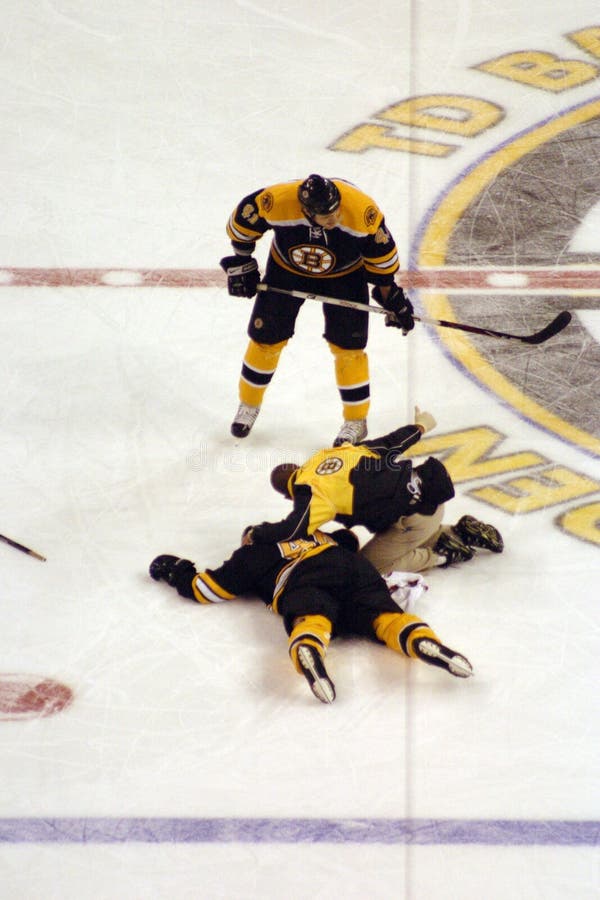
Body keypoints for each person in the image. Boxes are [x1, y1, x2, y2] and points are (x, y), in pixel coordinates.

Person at [149, 528, 473, 705]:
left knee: (312, 617)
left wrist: (177, 570)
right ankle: (423, 642)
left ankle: (310, 650)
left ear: (250, 539)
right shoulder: (316, 533)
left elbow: (206, 589)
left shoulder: (252, 554)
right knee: (387, 617)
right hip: (352, 567)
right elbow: (349, 539)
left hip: (303, 579)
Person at [220, 174, 414, 445]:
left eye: (335, 210)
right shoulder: (278, 201)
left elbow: (382, 261)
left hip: (345, 276)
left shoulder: (361, 211)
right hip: (286, 271)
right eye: (325, 215)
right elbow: (242, 223)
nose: (333, 218)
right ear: (306, 210)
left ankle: (355, 421)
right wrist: (242, 262)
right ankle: (248, 405)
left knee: (349, 348)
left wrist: (392, 298)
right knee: (265, 340)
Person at [244, 408, 503, 569]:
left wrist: (257, 534)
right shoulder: (337, 453)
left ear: (287, 493)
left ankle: (443, 554)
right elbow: (391, 444)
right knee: (391, 526)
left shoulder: (310, 492)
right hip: (429, 498)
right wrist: (420, 426)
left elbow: (294, 528)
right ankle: (457, 530)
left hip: (414, 519)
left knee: (369, 566)